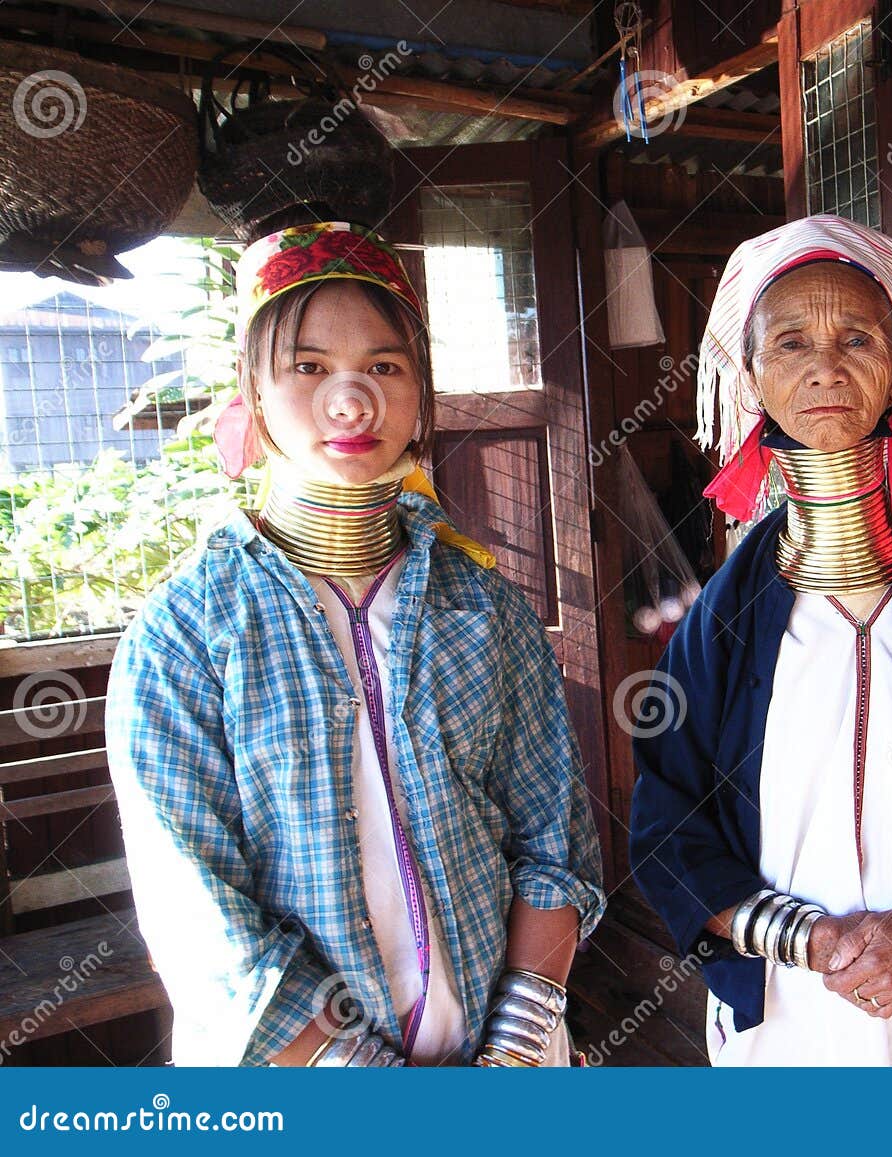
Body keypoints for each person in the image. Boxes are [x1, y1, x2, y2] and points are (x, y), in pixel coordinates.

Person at [106, 221, 604, 1066]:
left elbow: (555, 846)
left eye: (384, 366)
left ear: (420, 400)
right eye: (308, 367)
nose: (351, 399)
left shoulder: (482, 606)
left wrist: (515, 1051)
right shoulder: (186, 629)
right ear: (252, 393)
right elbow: (201, 918)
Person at [629, 214, 892, 1065]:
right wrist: (810, 941)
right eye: (789, 343)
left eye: (857, 337)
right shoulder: (721, 630)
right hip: (783, 1013)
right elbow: (669, 831)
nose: (824, 366)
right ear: (751, 374)